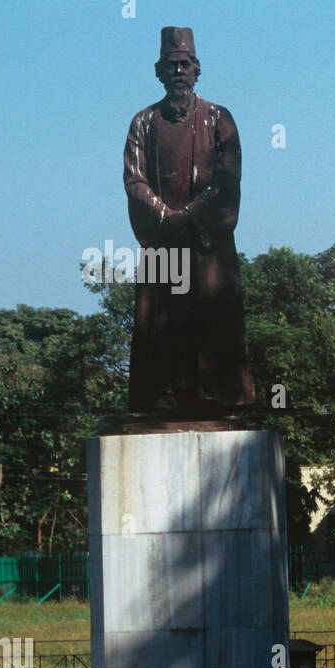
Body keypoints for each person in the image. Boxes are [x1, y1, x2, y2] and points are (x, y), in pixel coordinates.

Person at [124, 26, 255, 418]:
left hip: (208, 244)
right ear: (159, 71)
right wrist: (165, 217)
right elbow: (135, 180)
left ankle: (216, 398)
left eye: (185, 64)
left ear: (197, 70)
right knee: (162, 325)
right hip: (163, 244)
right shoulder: (142, 123)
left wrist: (192, 217)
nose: (179, 71)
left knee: (212, 318)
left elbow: (228, 179)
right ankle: (161, 396)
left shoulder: (219, 119)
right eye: (171, 65)